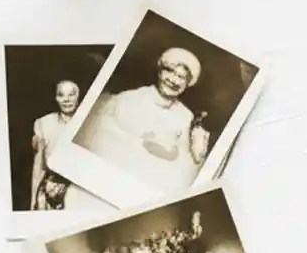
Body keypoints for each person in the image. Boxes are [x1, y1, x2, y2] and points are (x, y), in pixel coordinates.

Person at [82, 48, 211, 189]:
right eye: (170, 71)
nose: (173, 80)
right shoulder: (128, 100)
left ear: (187, 84)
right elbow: (105, 144)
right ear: (160, 71)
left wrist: (196, 148)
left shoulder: (186, 116)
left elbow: (185, 164)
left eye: (181, 77)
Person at [30, 80, 81, 210]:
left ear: (78, 97)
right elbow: (38, 166)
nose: (66, 100)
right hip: (49, 195)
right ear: (56, 98)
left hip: (79, 194)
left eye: (71, 94)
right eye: (61, 95)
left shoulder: (88, 122)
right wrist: (33, 202)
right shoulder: (44, 123)